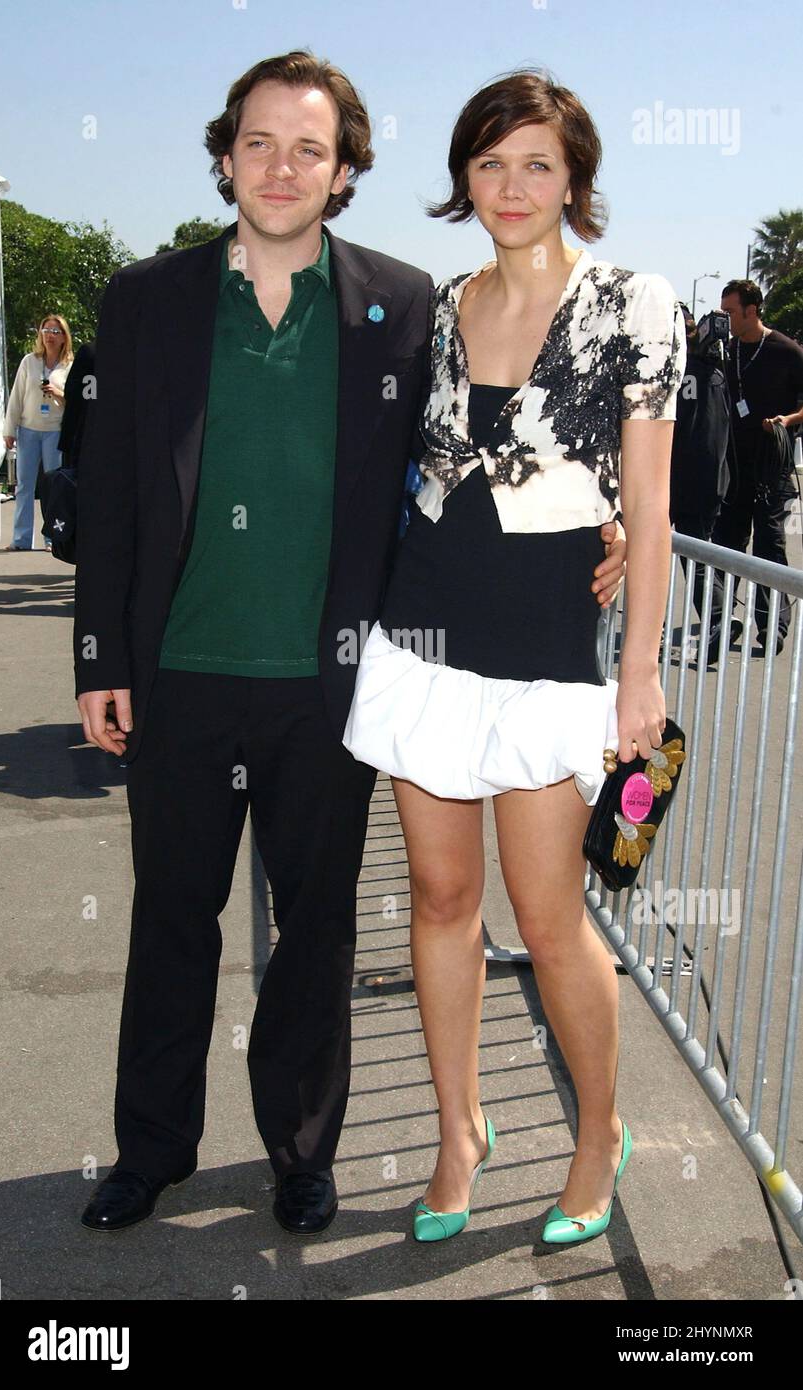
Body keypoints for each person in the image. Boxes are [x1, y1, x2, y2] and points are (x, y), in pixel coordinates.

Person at [73, 50, 627, 1239]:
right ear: (226, 157)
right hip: (178, 675)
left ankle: (302, 1153)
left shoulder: (402, 302)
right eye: (260, 144)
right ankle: (152, 1150)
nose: (282, 168)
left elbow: (481, 449)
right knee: (171, 917)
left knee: (317, 932)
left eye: (309, 149)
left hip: (334, 684)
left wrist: (615, 516)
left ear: (344, 172)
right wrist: (98, 661)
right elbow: (111, 496)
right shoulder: (147, 300)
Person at [343, 68, 686, 1246]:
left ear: (574, 177)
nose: (512, 185)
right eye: (490, 163)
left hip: (550, 649)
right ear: (463, 180)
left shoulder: (637, 304)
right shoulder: (442, 305)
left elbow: (651, 502)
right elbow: (413, 470)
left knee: (549, 918)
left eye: (536, 162)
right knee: (441, 899)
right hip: (426, 634)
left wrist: (639, 671)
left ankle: (599, 1135)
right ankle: (458, 1131)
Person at [709, 279, 803, 658]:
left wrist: (787, 419)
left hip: (772, 469)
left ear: (752, 311)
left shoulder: (787, 351)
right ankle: (720, 621)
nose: (726, 318)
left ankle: (772, 626)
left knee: (769, 548)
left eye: (730, 311)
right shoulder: (726, 351)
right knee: (726, 545)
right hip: (733, 469)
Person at [669, 302, 730, 627]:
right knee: (698, 558)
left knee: (651, 557)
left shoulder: (669, 372)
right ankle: (718, 615)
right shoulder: (716, 372)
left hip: (673, 483)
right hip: (707, 482)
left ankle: (718, 616)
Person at [3, 314, 73, 550]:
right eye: (45, 331)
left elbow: (74, 401)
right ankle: (21, 539)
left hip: (55, 430)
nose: (49, 336)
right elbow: (16, 396)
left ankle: (53, 536)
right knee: (24, 485)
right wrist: (9, 429)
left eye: (55, 332)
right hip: (28, 428)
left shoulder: (70, 365)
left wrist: (58, 392)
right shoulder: (29, 361)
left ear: (64, 337)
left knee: (53, 485)